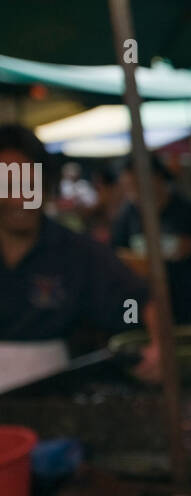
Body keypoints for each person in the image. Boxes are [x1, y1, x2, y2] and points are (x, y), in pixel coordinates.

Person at [0, 126, 153, 392]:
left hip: (55, 396)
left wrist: (144, 342)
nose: (19, 199)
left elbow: (133, 301)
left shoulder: (76, 252)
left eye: (30, 186)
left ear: (46, 188)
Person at [112, 153, 191, 324]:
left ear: (156, 178)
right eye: (128, 187)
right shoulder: (126, 216)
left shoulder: (184, 210)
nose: (133, 192)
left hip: (183, 300)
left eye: (136, 185)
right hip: (141, 304)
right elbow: (115, 254)